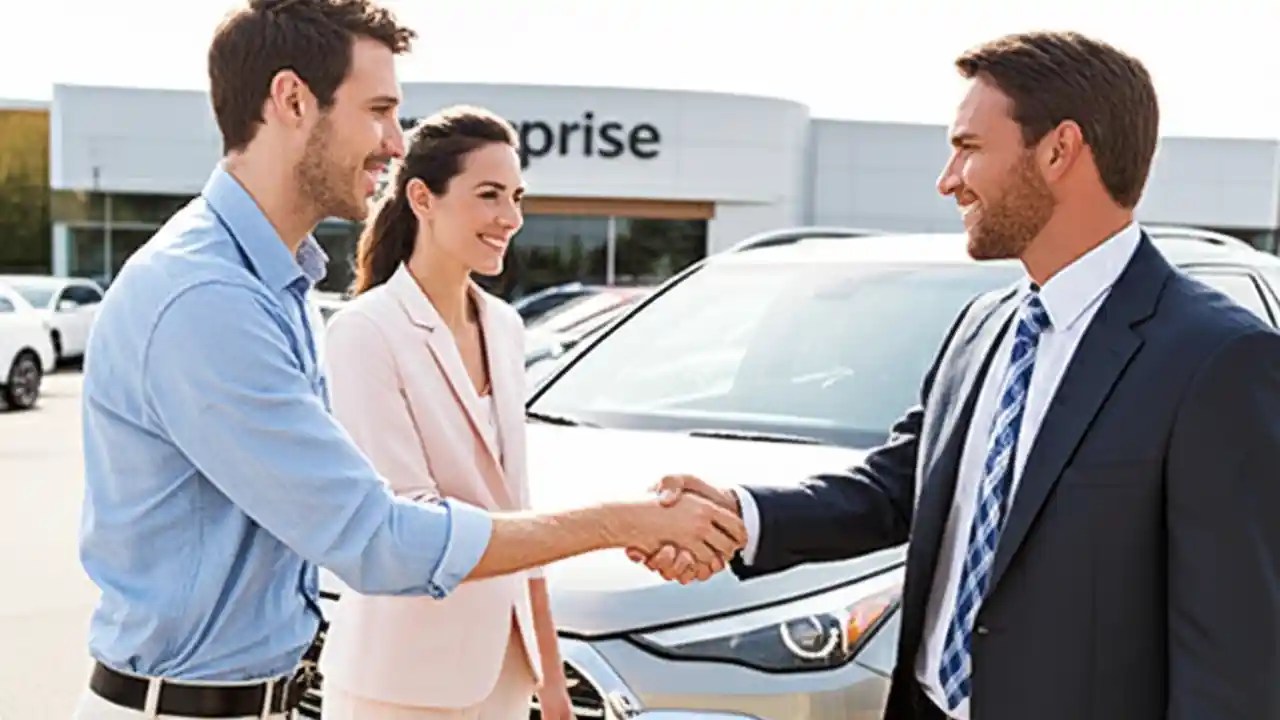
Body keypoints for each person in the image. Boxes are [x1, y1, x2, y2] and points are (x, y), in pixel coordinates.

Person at [74, 2, 744, 718]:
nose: (396, 143)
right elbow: (374, 538)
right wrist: (621, 521)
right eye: (380, 111)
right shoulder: (208, 299)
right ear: (293, 100)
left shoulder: (277, 285)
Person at [633, 30, 1280, 720]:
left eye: (968, 148)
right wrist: (742, 515)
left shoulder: (1221, 360)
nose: (947, 179)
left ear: (1060, 150)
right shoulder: (984, 325)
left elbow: (1234, 657)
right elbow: (899, 489)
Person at [315, 106, 571, 719]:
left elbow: (518, 506)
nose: (510, 218)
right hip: (400, 683)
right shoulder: (365, 332)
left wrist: (551, 674)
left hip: (506, 676)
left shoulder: (505, 327)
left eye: (516, 196)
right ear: (423, 198)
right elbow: (404, 519)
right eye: (489, 195)